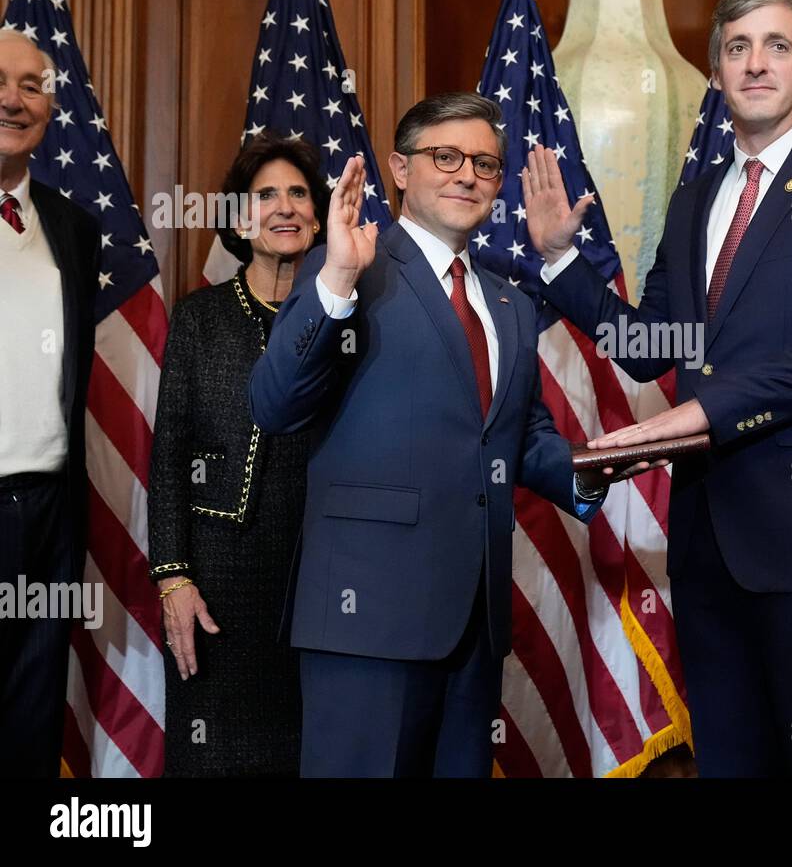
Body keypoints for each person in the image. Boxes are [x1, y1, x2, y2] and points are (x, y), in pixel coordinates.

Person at [523, 0, 792, 776]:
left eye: (776, 45)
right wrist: (562, 259)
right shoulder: (697, 196)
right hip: (710, 545)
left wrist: (700, 416)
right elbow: (650, 344)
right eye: (737, 48)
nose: (756, 62)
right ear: (715, 74)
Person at [248, 93, 630, 777]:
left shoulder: (510, 303)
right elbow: (275, 404)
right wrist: (336, 279)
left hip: (474, 630)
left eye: (485, 163)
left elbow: (518, 437)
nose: (467, 175)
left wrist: (591, 466)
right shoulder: (347, 268)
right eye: (446, 157)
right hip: (367, 622)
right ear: (400, 168)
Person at [148, 134, 329, 775]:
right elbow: (168, 456)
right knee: (214, 753)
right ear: (238, 218)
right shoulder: (199, 318)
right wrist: (173, 577)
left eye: (299, 193)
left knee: (310, 748)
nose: (285, 208)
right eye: (265, 195)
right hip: (217, 577)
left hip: (321, 570)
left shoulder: (346, 319)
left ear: (319, 213)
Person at [0, 30, 100, 776]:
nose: (13, 98)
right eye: (0, 81)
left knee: (31, 720)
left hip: (48, 517)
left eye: (32, 85)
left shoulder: (73, 227)